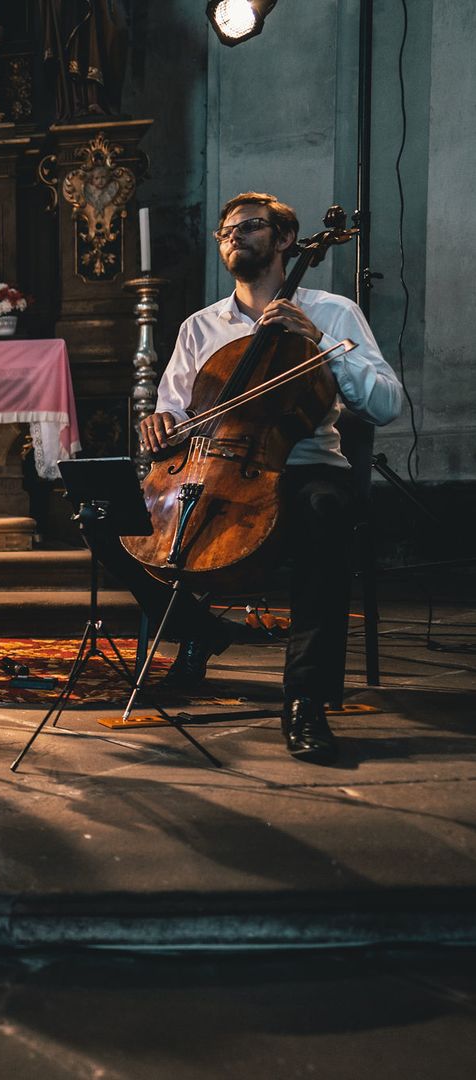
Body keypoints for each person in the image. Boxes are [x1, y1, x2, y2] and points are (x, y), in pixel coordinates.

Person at [86, 192, 403, 764]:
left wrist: (319, 341)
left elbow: (385, 403)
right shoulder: (200, 326)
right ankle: (199, 629)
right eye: (226, 231)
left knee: (325, 512)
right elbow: (176, 411)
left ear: (285, 240)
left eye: (250, 227)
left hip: (304, 468)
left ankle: (305, 698)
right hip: (214, 470)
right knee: (104, 519)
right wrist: (160, 424)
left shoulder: (332, 312)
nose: (233, 236)